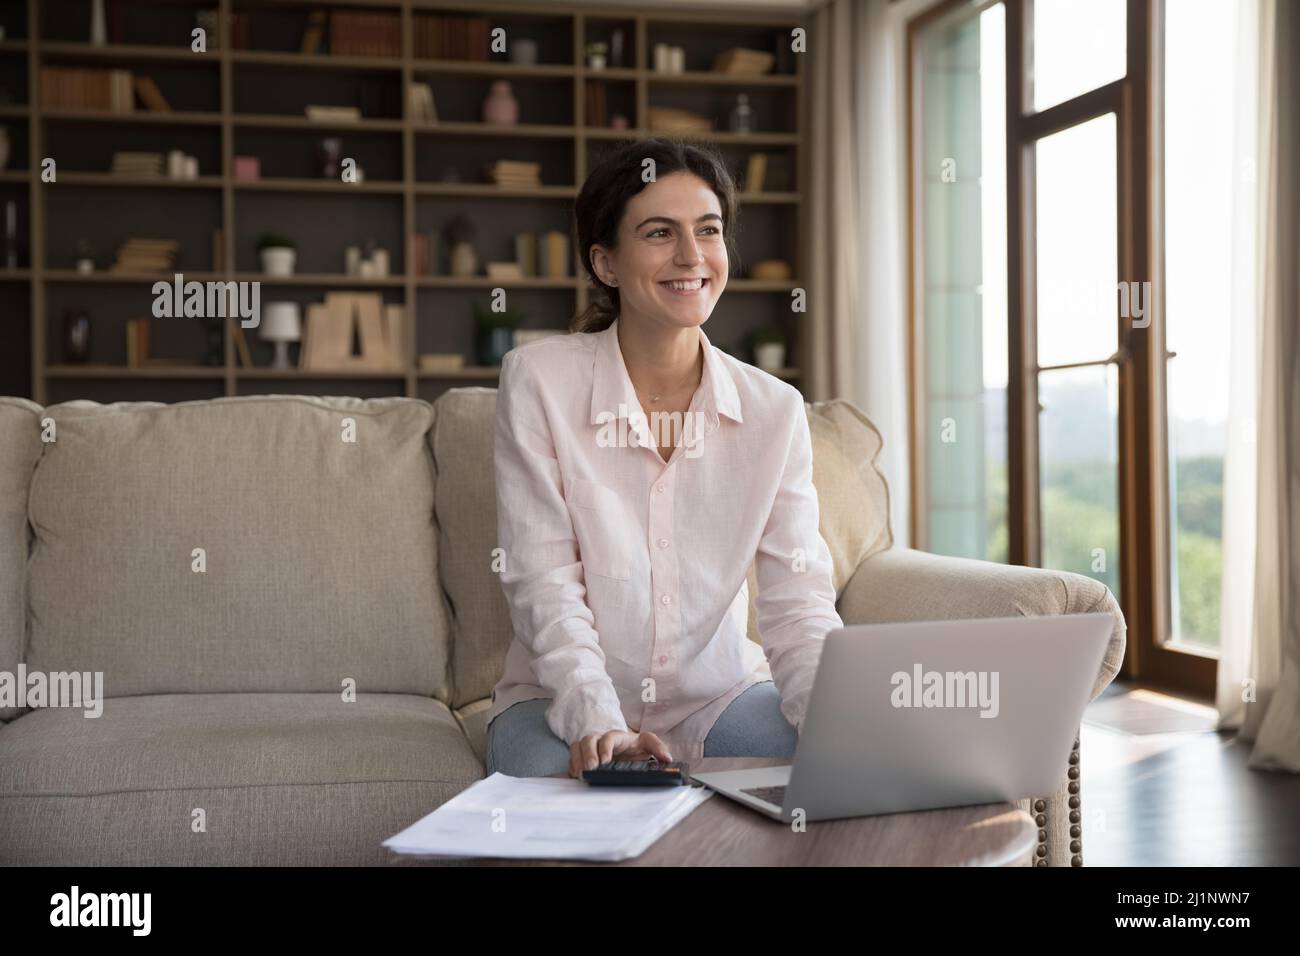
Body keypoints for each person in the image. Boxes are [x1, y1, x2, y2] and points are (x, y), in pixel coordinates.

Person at [486, 137, 843, 780]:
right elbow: (542, 580)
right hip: (560, 701)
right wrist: (598, 719)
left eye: (708, 231)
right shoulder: (539, 380)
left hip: (719, 698)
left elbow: (798, 600)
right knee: (570, 801)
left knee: (829, 773)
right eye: (659, 233)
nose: (691, 256)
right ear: (606, 263)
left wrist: (837, 723)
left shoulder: (775, 410)